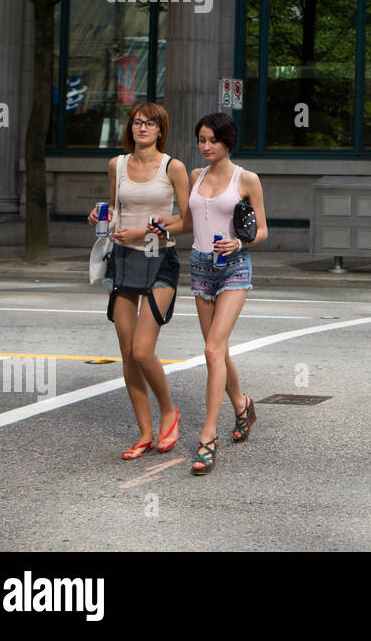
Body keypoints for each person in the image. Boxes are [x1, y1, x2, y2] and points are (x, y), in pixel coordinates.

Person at [164, 113, 268, 476]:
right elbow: (190, 222)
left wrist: (239, 241)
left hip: (235, 266)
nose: (205, 147)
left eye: (212, 140)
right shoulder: (196, 176)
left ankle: (208, 437)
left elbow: (263, 231)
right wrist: (161, 227)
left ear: (227, 142)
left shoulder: (247, 179)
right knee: (217, 348)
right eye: (201, 140)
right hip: (200, 265)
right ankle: (242, 404)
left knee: (211, 349)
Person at [88, 103, 188, 460]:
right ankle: (145, 432)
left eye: (150, 123)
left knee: (144, 351)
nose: (142, 128)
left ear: (161, 130)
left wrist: (147, 228)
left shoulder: (172, 167)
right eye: (137, 123)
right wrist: (103, 215)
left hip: (160, 258)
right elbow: (116, 208)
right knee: (128, 355)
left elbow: (187, 221)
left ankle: (169, 412)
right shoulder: (117, 164)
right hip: (124, 259)